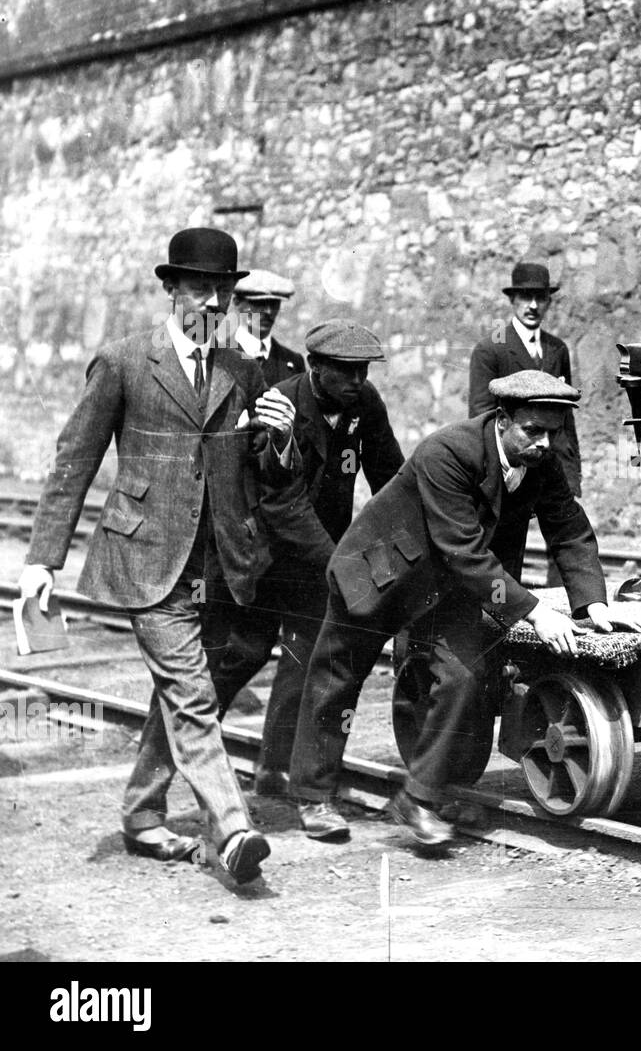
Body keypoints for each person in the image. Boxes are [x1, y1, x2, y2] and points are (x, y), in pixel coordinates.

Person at [17, 227, 298, 884]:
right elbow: (74, 459)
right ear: (171, 289)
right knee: (193, 691)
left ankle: (142, 813)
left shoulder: (239, 369)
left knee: (175, 690)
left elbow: (258, 468)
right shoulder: (122, 361)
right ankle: (232, 828)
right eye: (199, 288)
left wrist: (280, 442)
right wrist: (42, 560)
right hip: (143, 553)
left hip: (212, 563)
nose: (211, 303)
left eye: (222, 291)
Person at [288, 370, 641, 845]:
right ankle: (313, 796)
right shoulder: (448, 451)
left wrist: (592, 605)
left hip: (450, 584)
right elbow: (463, 549)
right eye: (532, 431)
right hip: (380, 575)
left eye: (552, 433)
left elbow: (569, 528)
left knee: (462, 678)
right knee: (335, 683)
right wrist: (534, 610)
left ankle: (419, 798)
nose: (543, 443)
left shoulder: (541, 462)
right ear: (502, 420)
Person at [206, 319, 405, 793]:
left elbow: (390, 478)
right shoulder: (280, 403)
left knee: (304, 659)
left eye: (364, 371)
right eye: (346, 371)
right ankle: (186, 736)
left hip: (318, 560)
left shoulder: (365, 404)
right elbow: (282, 504)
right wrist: (342, 562)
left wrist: (404, 535)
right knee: (242, 653)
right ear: (316, 367)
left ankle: (274, 771)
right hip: (265, 557)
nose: (358, 380)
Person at [467, 262, 581, 496]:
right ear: (512, 300)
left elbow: (566, 419)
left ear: (549, 302)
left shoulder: (558, 349)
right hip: (514, 465)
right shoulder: (491, 349)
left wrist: (573, 469)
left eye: (540, 298)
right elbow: (482, 417)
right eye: (525, 297)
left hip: (554, 466)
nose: (533, 306)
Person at [231, 268, 303, 386]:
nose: (268, 311)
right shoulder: (217, 352)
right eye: (260, 303)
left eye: (274, 304)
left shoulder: (292, 361)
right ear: (237, 302)